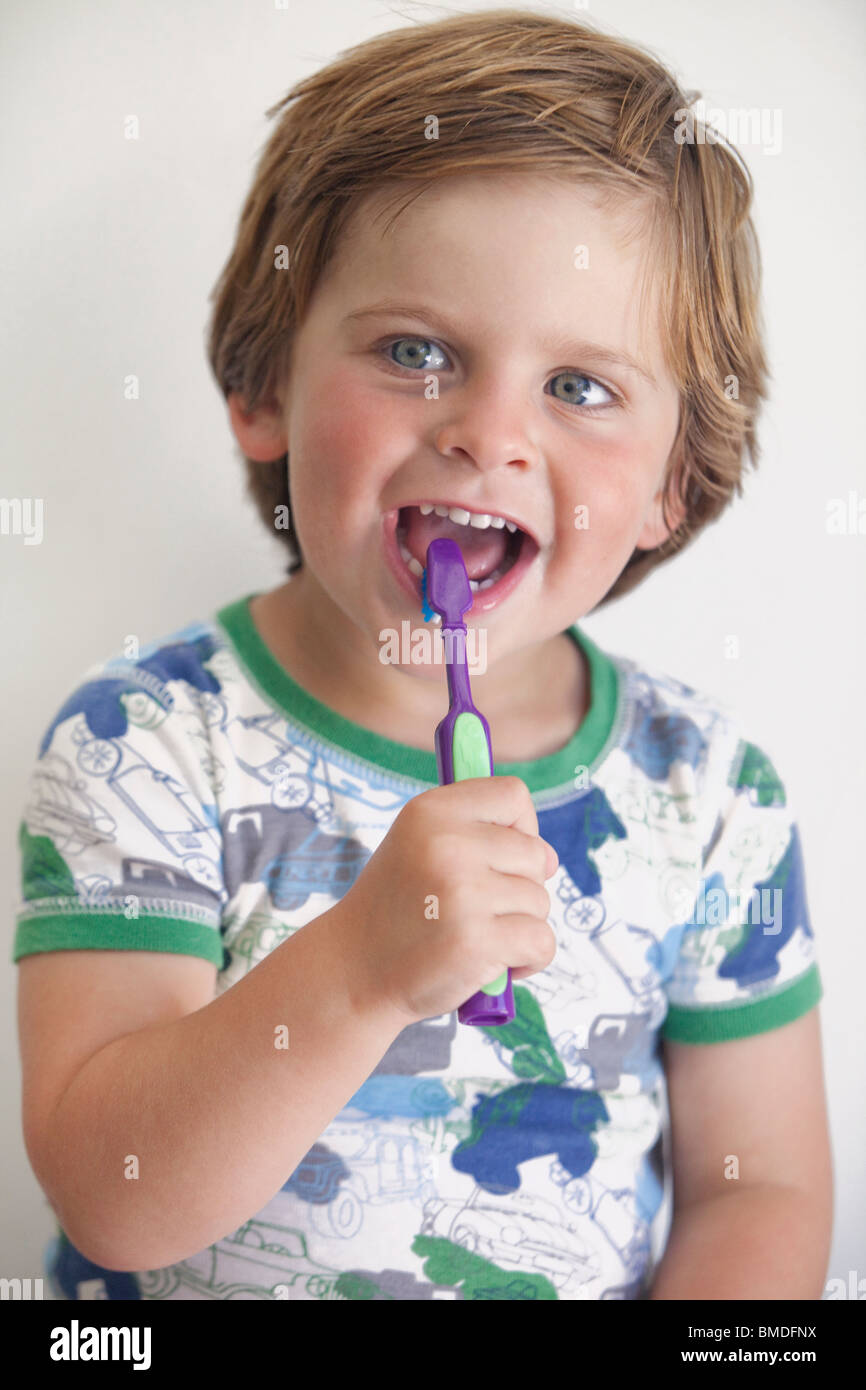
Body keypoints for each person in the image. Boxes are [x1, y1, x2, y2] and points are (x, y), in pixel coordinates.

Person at [13, 8, 832, 1301]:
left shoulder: (711, 797)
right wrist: (359, 965)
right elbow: (114, 1200)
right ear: (264, 384)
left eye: (580, 385)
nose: (487, 433)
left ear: (673, 483)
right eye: (415, 351)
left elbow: (760, 1190)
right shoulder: (145, 740)